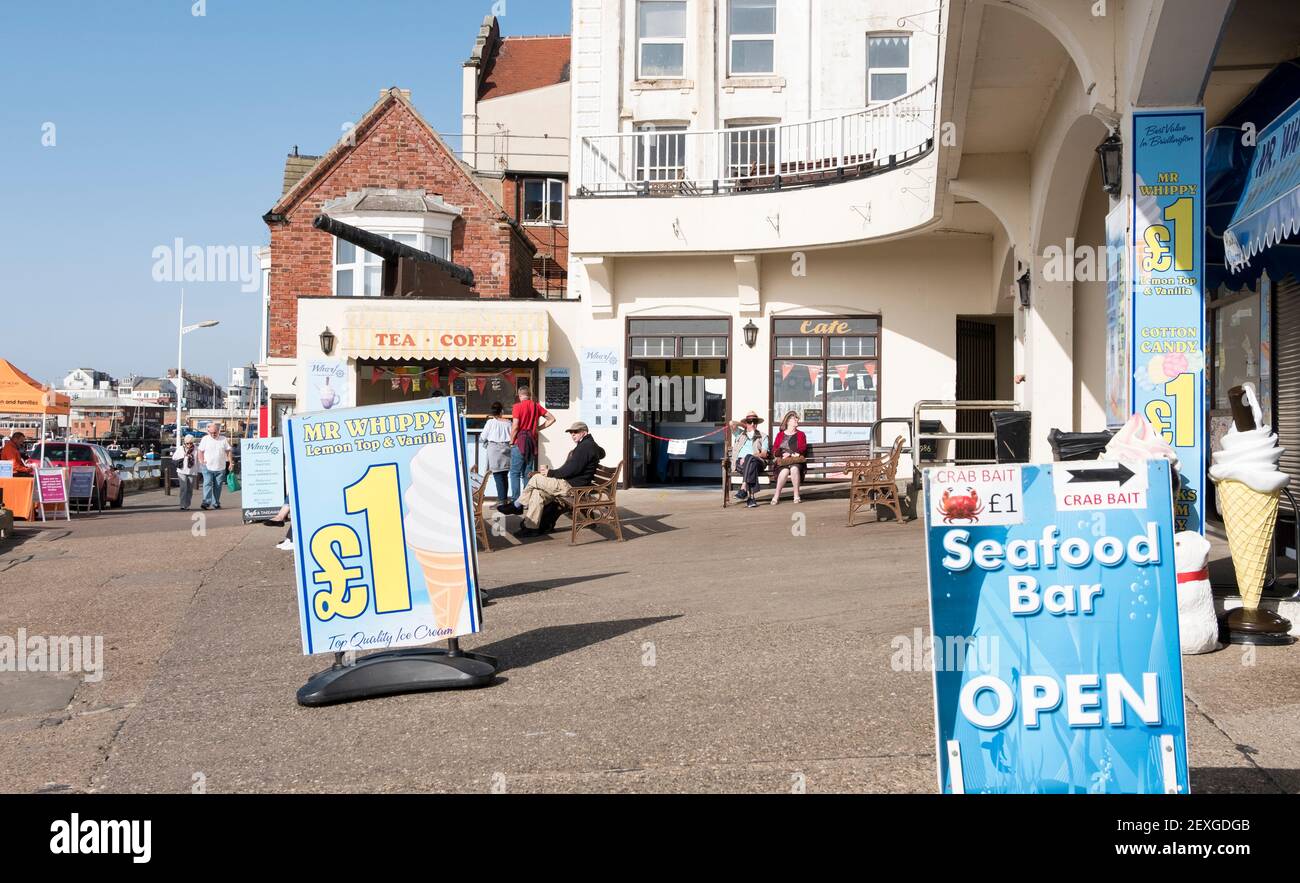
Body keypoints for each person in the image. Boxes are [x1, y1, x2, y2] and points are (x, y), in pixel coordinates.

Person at [509, 422, 605, 537]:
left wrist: (551, 473)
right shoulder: (588, 445)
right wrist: (552, 474)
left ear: (584, 433)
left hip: (571, 487)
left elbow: (572, 470)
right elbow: (601, 453)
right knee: (537, 493)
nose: (573, 435)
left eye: (576, 432)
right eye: (571, 433)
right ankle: (531, 527)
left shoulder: (585, 447)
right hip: (572, 484)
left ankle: (517, 505)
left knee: (536, 478)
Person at [506, 386, 555, 508]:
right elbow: (552, 419)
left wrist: (511, 441)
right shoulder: (536, 406)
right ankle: (526, 501)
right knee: (528, 473)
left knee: (515, 473)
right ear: (530, 394)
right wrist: (538, 429)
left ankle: (516, 502)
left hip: (519, 442)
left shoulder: (517, 406)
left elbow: (516, 426)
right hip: (531, 442)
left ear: (519, 395)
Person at [729, 411, 768, 509]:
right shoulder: (740, 434)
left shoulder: (763, 436)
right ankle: (751, 499)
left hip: (758, 461)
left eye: (755, 422)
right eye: (750, 422)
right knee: (751, 465)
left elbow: (764, 453)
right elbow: (731, 423)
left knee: (749, 458)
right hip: (740, 463)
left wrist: (750, 457)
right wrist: (744, 425)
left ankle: (743, 488)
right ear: (746, 423)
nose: (753, 424)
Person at [770, 411, 807, 505]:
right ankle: (776, 496)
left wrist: (790, 454)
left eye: (797, 418)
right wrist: (781, 454)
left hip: (795, 460)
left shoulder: (801, 434)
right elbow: (775, 448)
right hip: (783, 461)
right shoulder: (780, 434)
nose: (797, 420)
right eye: (794, 419)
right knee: (784, 472)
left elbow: (803, 448)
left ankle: (796, 495)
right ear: (788, 422)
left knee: (794, 469)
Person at [479, 401, 513, 504]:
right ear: (501, 411)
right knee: (504, 475)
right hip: (507, 449)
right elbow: (512, 436)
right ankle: (504, 499)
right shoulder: (509, 422)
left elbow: (482, 437)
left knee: (498, 475)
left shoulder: (490, 422)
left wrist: (483, 441)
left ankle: (501, 501)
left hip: (494, 450)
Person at [195, 422, 233, 511]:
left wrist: (231, 462)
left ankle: (216, 503)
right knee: (207, 483)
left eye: (215, 432)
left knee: (218, 486)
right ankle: (206, 502)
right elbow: (200, 451)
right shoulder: (205, 439)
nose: (213, 434)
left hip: (220, 467)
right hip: (207, 466)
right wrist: (201, 461)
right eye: (211, 432)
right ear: (208, 432)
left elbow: (229, 451)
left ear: (219, 431)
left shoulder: (223, 439)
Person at [172, 437, 200, 510]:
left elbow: (198, 460)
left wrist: (199, 470)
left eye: (191, 443)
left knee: (190, 489)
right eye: (187, 443)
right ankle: (182, 505)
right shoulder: (181, 448)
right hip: (182, 471)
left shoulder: (196, 449)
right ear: (184, 443)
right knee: (183, 488)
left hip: (192, 471)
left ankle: (187, 505)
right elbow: (174, 457)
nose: (189, 445)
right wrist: (183, 456)